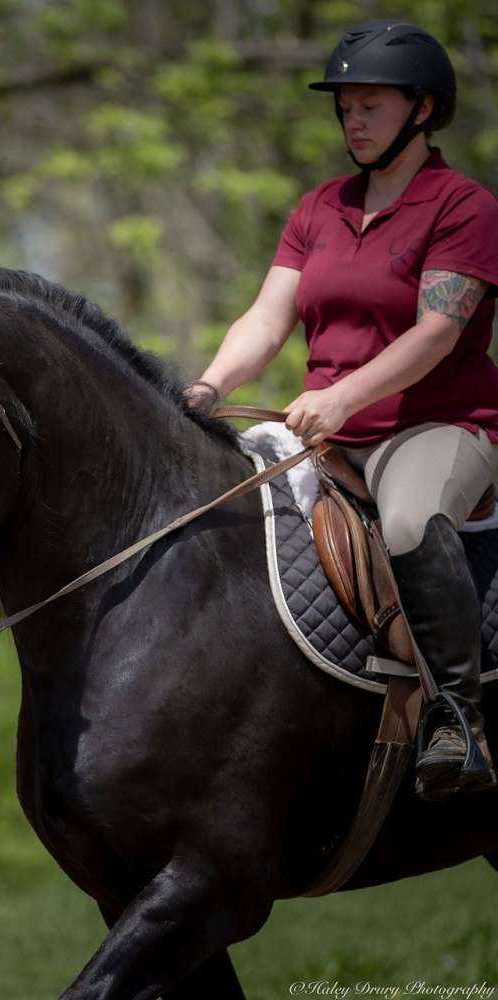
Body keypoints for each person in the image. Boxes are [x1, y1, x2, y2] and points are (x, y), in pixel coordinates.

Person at [184, 19, 498, 801]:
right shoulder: (319, 209)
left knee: (408, 522)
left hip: (434, 425)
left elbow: (435, 334)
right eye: (345, 108)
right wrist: (207, 389)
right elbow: (267, 320)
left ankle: (457, 719)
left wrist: (341, 395)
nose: (352, 121)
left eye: (370, 106)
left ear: (423, 110)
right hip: (322, 431)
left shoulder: (463, 206)